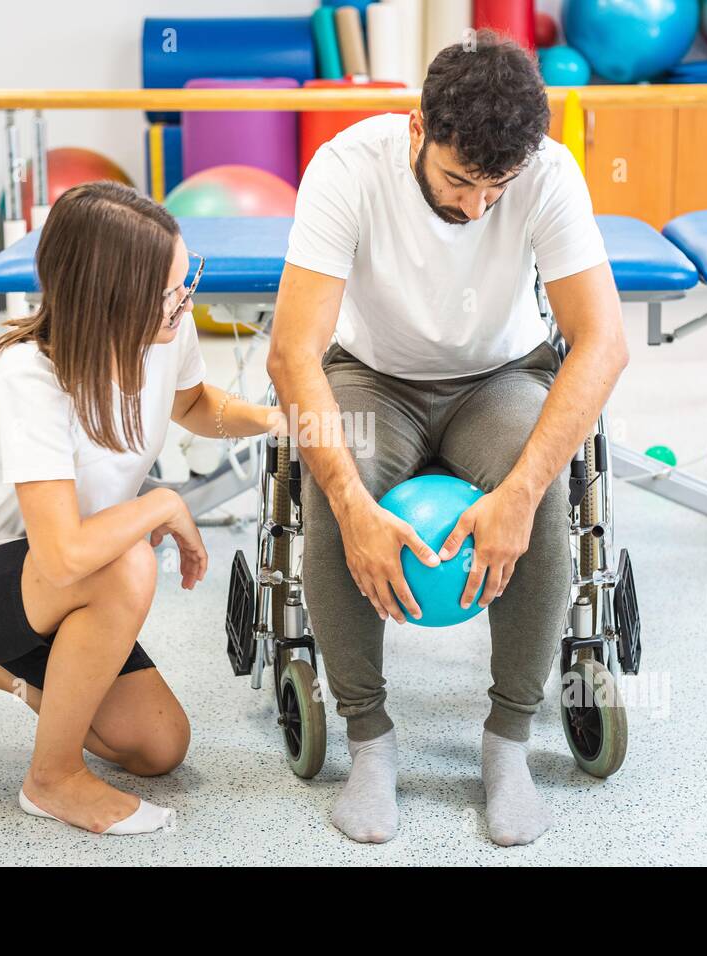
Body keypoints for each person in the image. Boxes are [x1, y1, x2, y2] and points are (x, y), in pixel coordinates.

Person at [267, 33, 628, 846]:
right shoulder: (345, 168)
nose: (475, 207)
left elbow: (602, 343)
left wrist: (522, 492)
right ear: (417, 130)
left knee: (534, 501)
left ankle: (507, 745)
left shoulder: (547, 173)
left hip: (497, 378)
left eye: (495, 189)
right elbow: (292, 353)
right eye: (459, 181)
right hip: (371, 377)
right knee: (336, 487)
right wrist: (354, 505)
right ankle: (370, 740)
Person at [0, 181, 281, 836]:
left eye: (189, 280)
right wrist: (158, 504)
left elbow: (190, 405)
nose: (185, 301)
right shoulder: (30, 376)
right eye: (168, 292)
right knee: (125, 563)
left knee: (158, 747)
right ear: (107, 300)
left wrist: (272, 419)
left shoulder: (162, 330)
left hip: (45, 593)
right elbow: (65, 553)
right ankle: (52, 779)